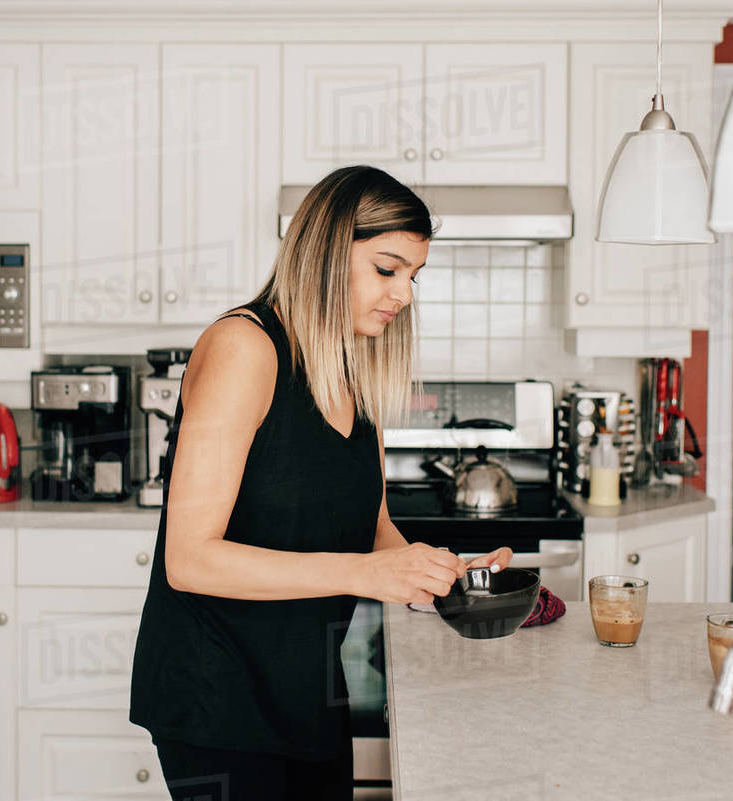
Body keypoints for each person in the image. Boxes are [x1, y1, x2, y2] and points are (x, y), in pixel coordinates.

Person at [129, 165, 513, 801]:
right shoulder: (244, 347)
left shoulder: (354, 366)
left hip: (308, 689)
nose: (404, 295)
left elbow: (374, 529)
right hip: (218, 696)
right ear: (329, 250)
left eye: (413, 276)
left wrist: (441, 575)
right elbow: (189, 561)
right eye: (387, 269)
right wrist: (362, 575)